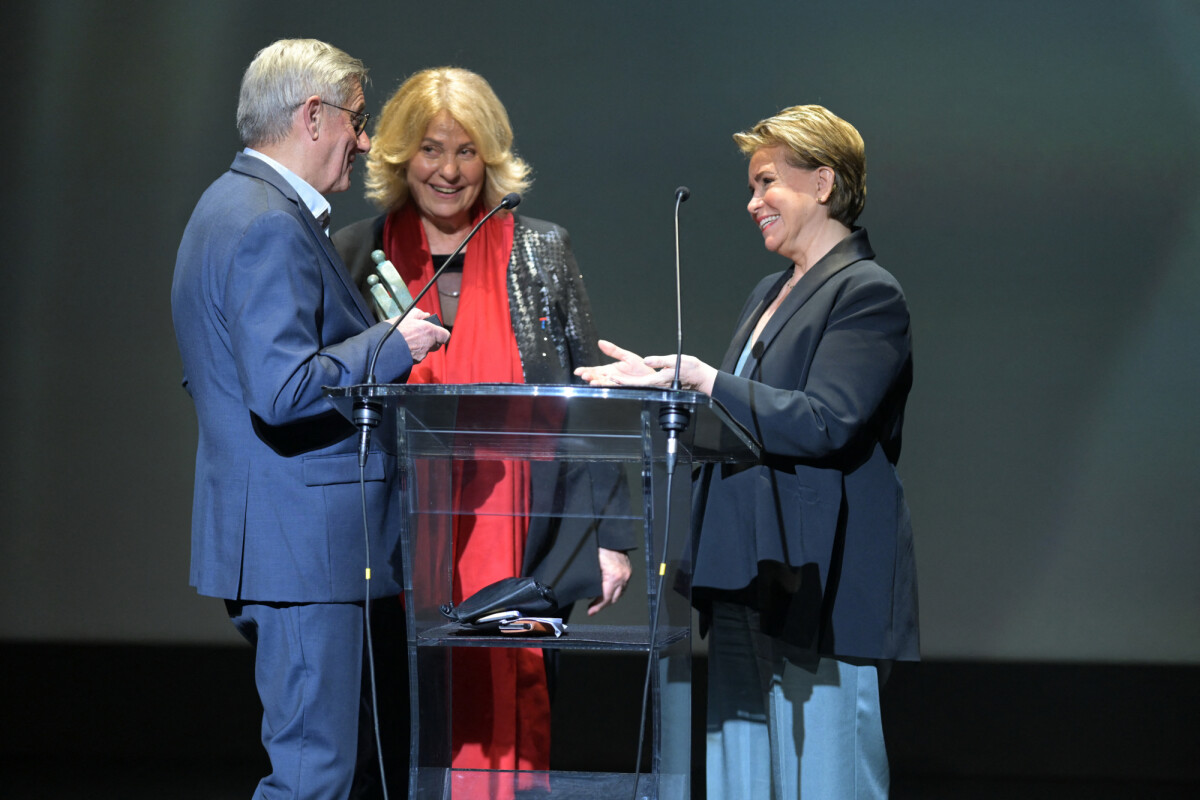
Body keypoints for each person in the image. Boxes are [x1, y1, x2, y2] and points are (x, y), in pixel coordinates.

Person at [576, 105, 919, 798]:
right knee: (740, 774)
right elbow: (742, 415)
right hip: (743, 566)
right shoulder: (769, 291)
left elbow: (829, 421)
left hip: (819, 578)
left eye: (767, 183)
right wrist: (669, 388)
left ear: (824, 184)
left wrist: (708, 378)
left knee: (826, 776)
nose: (752, 201)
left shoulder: (866, 292)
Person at [333, 67, 635, 773]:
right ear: (402, 154)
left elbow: (580, 397)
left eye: (466, 151)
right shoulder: (354, 253)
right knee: (397, 726)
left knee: (509, 710)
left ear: (490, 158)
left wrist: (614, 535)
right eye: (432, 149)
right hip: (392, 538)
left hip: (524, 540)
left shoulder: (540, 251)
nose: (448, 170)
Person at [171, 39, 448, 799]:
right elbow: (284, 390)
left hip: (288, 542)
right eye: (358, 121)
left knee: (324, 766)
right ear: (313, 116)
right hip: (302, 549)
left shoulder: (229, 203)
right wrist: (393, 343)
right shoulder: (267, 222)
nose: (364, 141)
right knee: (312, 777)